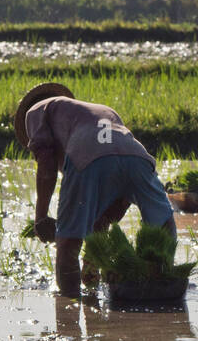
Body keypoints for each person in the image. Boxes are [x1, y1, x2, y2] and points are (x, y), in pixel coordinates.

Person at [14, 82, 175, 298]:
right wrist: (94, 256)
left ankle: (69, 309)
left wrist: (41, 217)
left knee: (68, 241)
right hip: (135, 154)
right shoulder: (102, 111)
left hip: (86, 153)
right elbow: (116, 167)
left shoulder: (35, 111)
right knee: (163, 221)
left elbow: (46, 164)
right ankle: (163, 283)